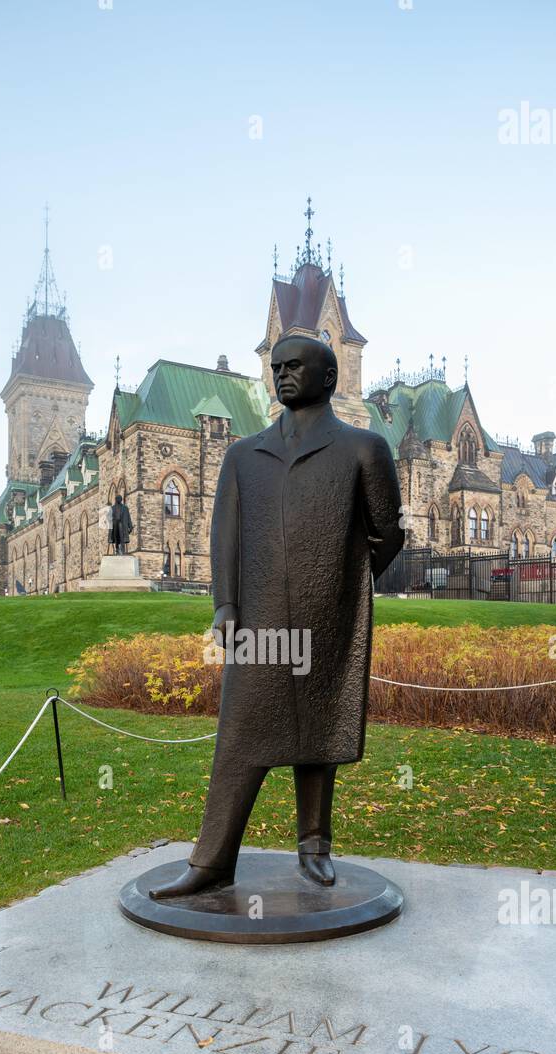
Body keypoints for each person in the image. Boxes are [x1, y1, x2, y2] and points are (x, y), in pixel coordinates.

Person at [150, 333, 404, 899]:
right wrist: (225, 604)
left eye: (295, 366)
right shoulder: (245, 454)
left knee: (317, 725)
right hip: (259, 623)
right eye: (276, 366)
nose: (283, 374)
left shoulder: (364, 449)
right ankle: (213, 859)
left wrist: (347, 582)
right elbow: (225, 536)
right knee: (241, 732)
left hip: (326, 615)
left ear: (330, 378)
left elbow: (388, 533)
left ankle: (314, 844)